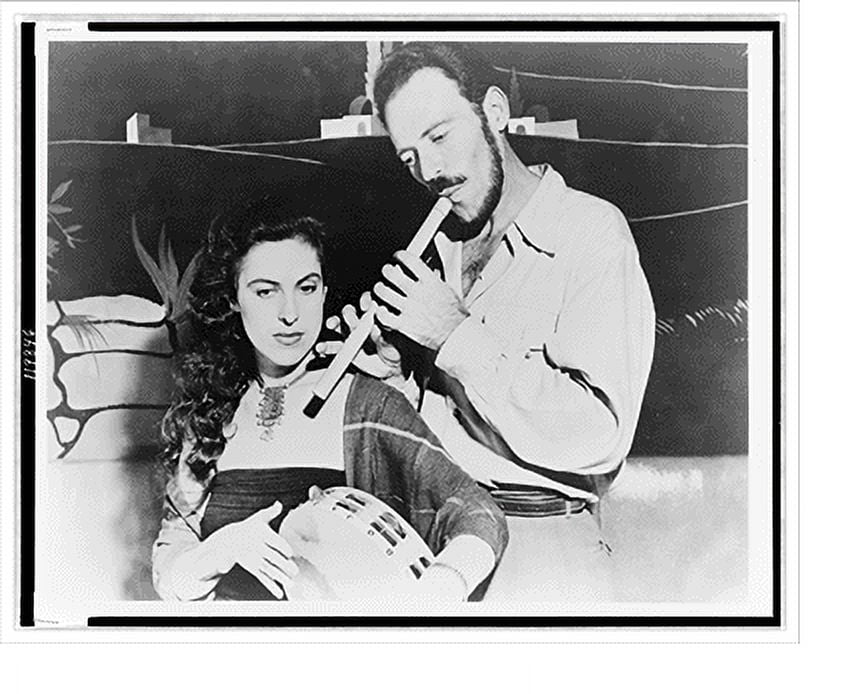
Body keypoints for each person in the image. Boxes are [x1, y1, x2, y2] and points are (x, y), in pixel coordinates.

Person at [322, 43, 655, 601]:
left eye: (439, 136)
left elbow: (599, 435)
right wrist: (394, 373)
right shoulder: (446, 247)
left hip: (540, 555)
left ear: (494, 112)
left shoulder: (591, 233)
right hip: (440, 538)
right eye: (408, 158)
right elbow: (451, 418)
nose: (430, 173)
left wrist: (454, 335)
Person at [151, 206, 507, 602]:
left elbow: (479, 516)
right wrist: (216, 553)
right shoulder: (209, 411)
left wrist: (437, 592)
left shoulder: (368, 405)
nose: (290, 314)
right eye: (265, 291)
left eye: (305, 288)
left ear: (323, 292)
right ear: (233, 297)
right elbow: (171, 571)